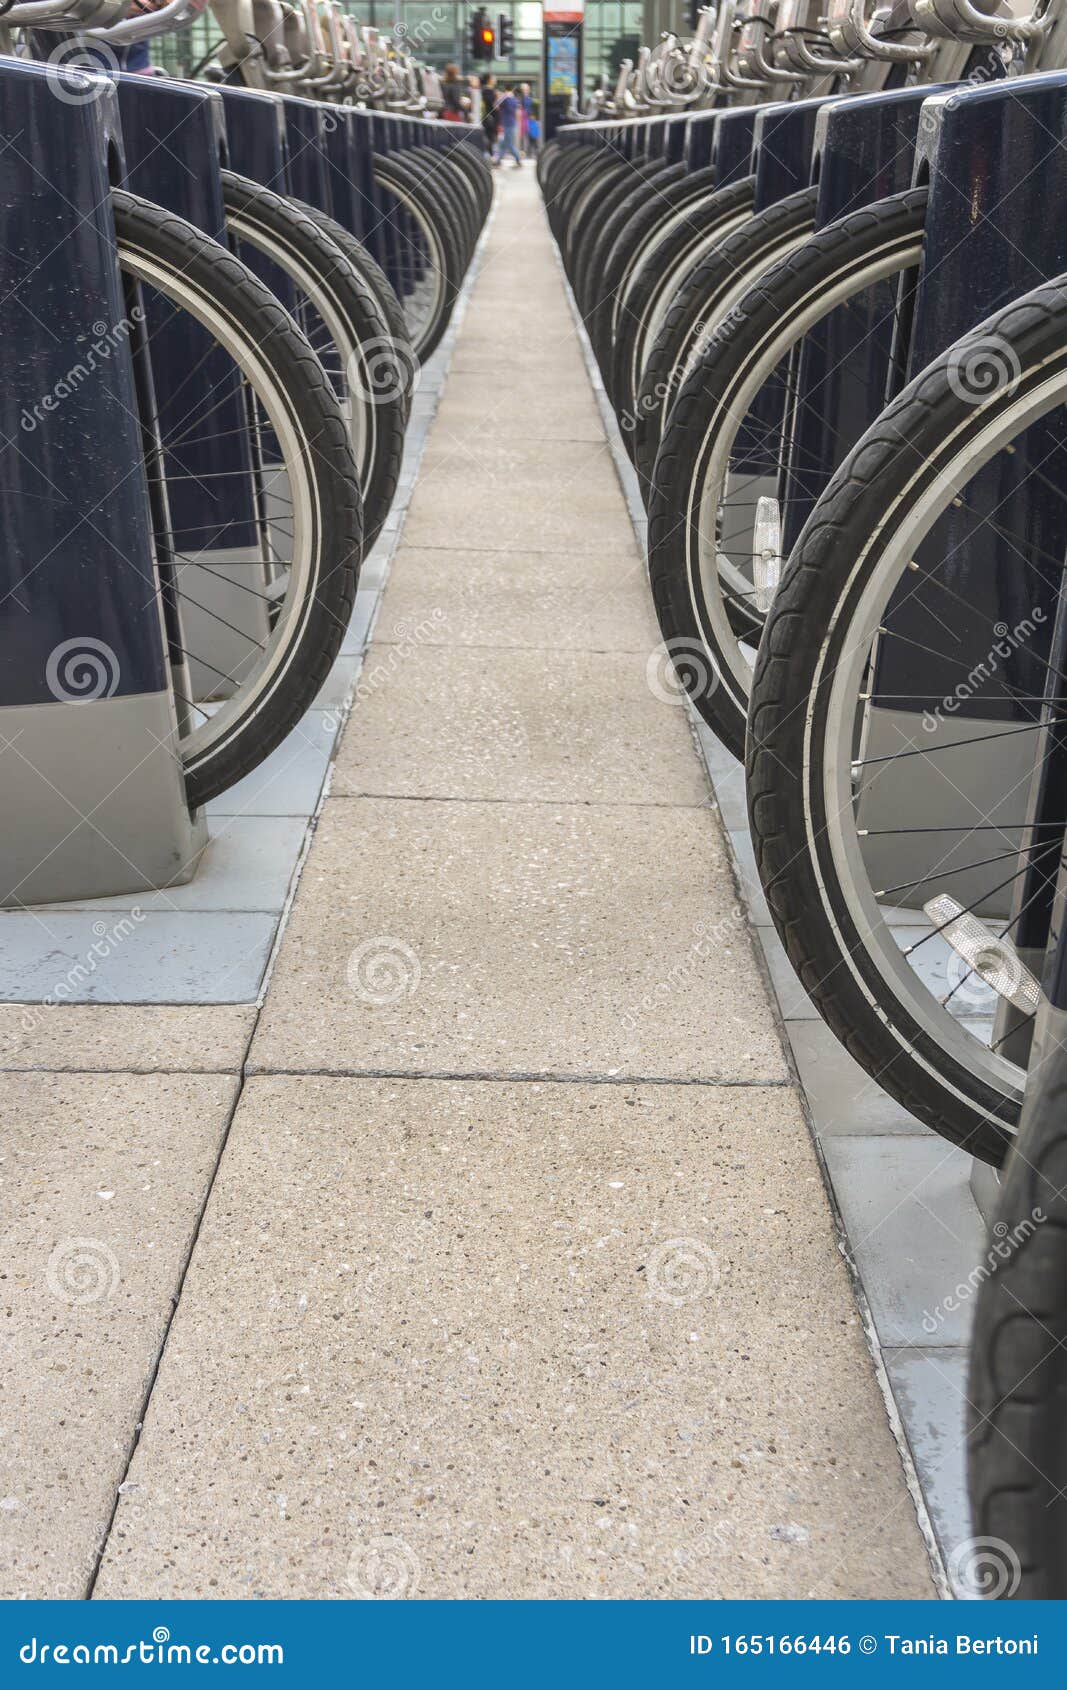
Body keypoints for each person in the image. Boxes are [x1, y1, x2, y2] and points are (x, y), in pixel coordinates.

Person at [494, 83, 523, 169]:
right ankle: (498, 161)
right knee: (504, 144)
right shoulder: (514, 99)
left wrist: (502, 96)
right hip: (511, 124)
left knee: (509, 144)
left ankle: (518, 159)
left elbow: (495, 106)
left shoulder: (506, 99)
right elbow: (518, 111)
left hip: (507, 124)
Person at [481, 73, 500, 154]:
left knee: (492, 138)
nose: (495, 79)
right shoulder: (487, 91)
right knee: (491, 138)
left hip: (491, 119)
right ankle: (490, 156)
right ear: (489, 80)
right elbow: (492, 105)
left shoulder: (491, 91)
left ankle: (490, 156)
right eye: (493, 78)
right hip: (490, 119)